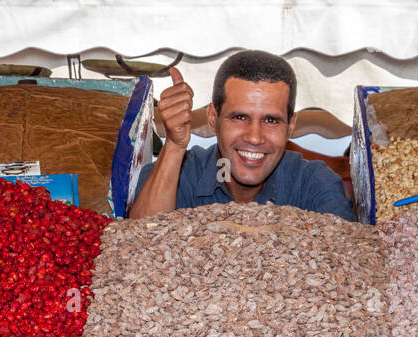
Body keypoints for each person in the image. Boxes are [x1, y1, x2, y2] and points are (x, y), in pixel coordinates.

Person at [128, 50, 354, 221]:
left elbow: (345, 266)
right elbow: (138, 249)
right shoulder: (178, 174)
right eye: (239, 117)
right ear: (213, 118)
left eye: (271, 120)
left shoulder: (315, 183)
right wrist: (175, 146)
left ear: (291, 125)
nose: (254, 137)